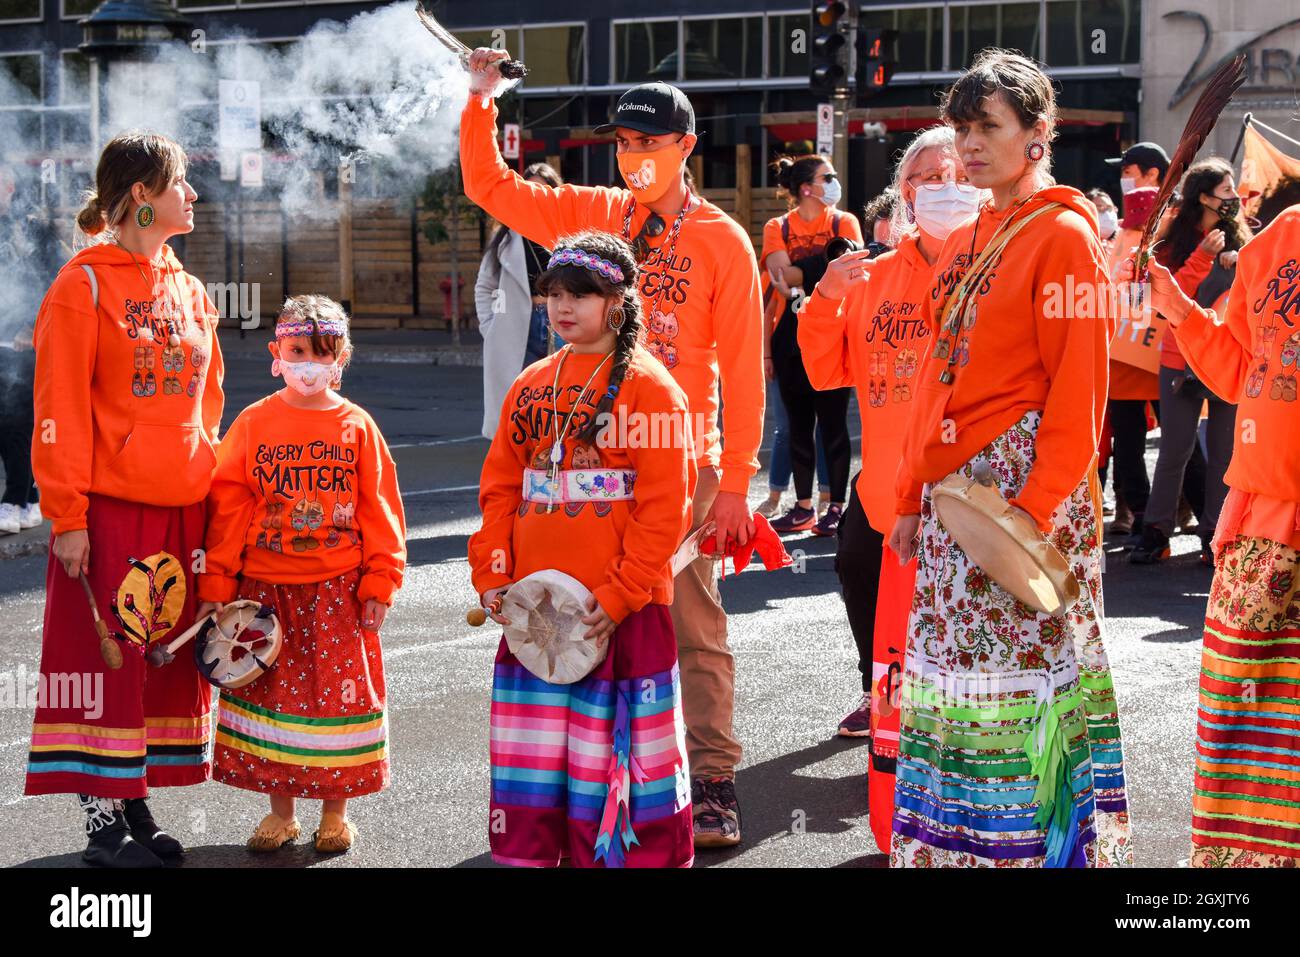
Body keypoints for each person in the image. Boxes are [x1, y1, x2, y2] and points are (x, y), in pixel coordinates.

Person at [461, 51, 764, 847]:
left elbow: (743, 368)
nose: (634, 157)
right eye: (624, 142)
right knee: (571, 610)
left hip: (677, 460)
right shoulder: (592, 217)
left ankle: (714, 780)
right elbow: (490, 187)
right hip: (577, 465)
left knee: (688, 621)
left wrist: (736, 482)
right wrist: (481, 101)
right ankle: (581, 789)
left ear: (685, 147)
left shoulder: (723, 243)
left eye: (649, 143)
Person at [889, 49, 1132, 867]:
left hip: (1026, 497)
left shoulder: (1066, 235)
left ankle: (1037, 855)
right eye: (961, 127)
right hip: (955, 493)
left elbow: (1080, 391)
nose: (968, 145)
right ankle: (967, 853)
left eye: (987, 126)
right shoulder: (970, 238)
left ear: (1039, 133)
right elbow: (934, 379)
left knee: (1024, 690)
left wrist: (1031, 512)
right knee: (959, 693)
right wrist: (905, 494)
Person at [24, 131, 225, 867]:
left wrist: (208, 490)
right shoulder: (83, 286)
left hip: (181, 508)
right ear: (142, 194)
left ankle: (135, 797)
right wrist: (67, 515)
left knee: (159, 663)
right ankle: (102, 819)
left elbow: (210, 405)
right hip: (108, 511)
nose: (194, 196)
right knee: (104, 661)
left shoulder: (191, 288)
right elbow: (60, 409)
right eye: (182, 183)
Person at [469, 231, 695, 867]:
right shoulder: (532, 384)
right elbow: (499, 489)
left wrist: (620, 593)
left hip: (617, 617)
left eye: (580, 295)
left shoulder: (653, 390)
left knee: (619, 783)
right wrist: (492, 573)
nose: (562, 307)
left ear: (617, 303)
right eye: (553, 295)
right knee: (536, 773)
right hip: (537, 618)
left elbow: (664, 509)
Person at [798, 126, 983, 850]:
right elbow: (822, 372)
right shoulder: (871, 276)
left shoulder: (995, 265)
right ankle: (896, 780)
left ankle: (963, 791)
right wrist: (825, 295)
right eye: (928, 174)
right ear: (906, 194)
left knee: (962, 654)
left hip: (974, 502)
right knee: (887, 641)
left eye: (956, 171)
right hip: (887, 501)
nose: (945, 182)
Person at [197, 294, 406, 854]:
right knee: (273, 704)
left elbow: (380, 510)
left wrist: (381, 581)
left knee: (336, 701)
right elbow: (228, 509)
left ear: (340, 358)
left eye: (319, 353)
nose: (307, 363)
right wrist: (217, 584)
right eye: (296, 351)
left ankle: (334, 813)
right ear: (276, 354)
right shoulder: (254, 422)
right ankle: (281, 813)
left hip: (338, 591)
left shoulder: (357, 427)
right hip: (263, 594)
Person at [1144, 202, 1300, 867]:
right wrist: (1179, 307)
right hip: (1265, 508)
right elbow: (1242, 367)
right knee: (1247, 706)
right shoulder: (1279, 236)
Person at [1131, 158, 1247, 566]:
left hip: (1229, 357)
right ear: (1204, 197)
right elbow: (1166, 298)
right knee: (1173, 449)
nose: (1235, 199)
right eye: (1227, 192)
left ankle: (1216, 536)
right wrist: (1202, 256)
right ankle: (1156, 532)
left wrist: (1241, 262)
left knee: (1224, 453)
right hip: (1180, 359)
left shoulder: (1242, 240)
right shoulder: (1176, 243)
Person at [760, 154, 863, 536]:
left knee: (834, 425)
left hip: (835, 326)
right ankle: (802, 506)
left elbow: (848, 265)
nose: (834, 182)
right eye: (828, 177)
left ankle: (835, 505)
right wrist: (824, 265)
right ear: (807, 188)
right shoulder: (778, 225)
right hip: (790, 329)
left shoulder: (844, 220)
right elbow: (779, 275)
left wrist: (801, 271)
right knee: (799, 425)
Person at [475, 162, 564, 439]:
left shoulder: (568, 233)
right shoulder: (505, 236)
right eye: (529, 190)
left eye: (543, 190)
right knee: (521, 399)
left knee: (558, 397)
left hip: (560, 322)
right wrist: (491, 326)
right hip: (517, 326)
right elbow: (486, 286)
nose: (535, 196)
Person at [0, 167, 61, 534]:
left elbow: (54, 282)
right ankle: (29, 499)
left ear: (8, 186)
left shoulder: (32, 229)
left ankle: (14, 498)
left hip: (23, 342)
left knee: (16, 423)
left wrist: (30, 325)